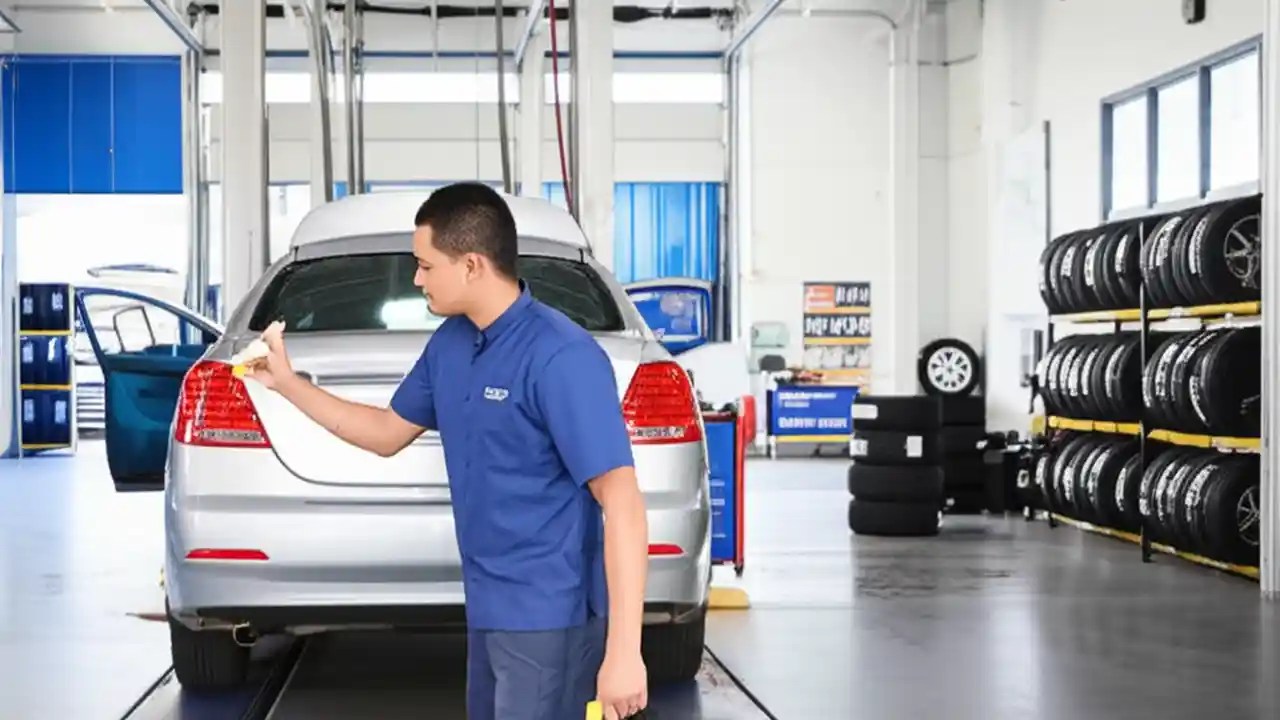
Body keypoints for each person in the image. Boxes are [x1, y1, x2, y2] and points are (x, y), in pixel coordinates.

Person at [244, 182, 650, 720]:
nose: (416, 279)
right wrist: (288, 383)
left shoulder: (562, 357)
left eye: (426, 265)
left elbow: (622, 502)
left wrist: (625, 653)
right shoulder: (453, 343)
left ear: (473, 266)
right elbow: (387, 432)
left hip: (549, 615)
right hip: (487, 608)